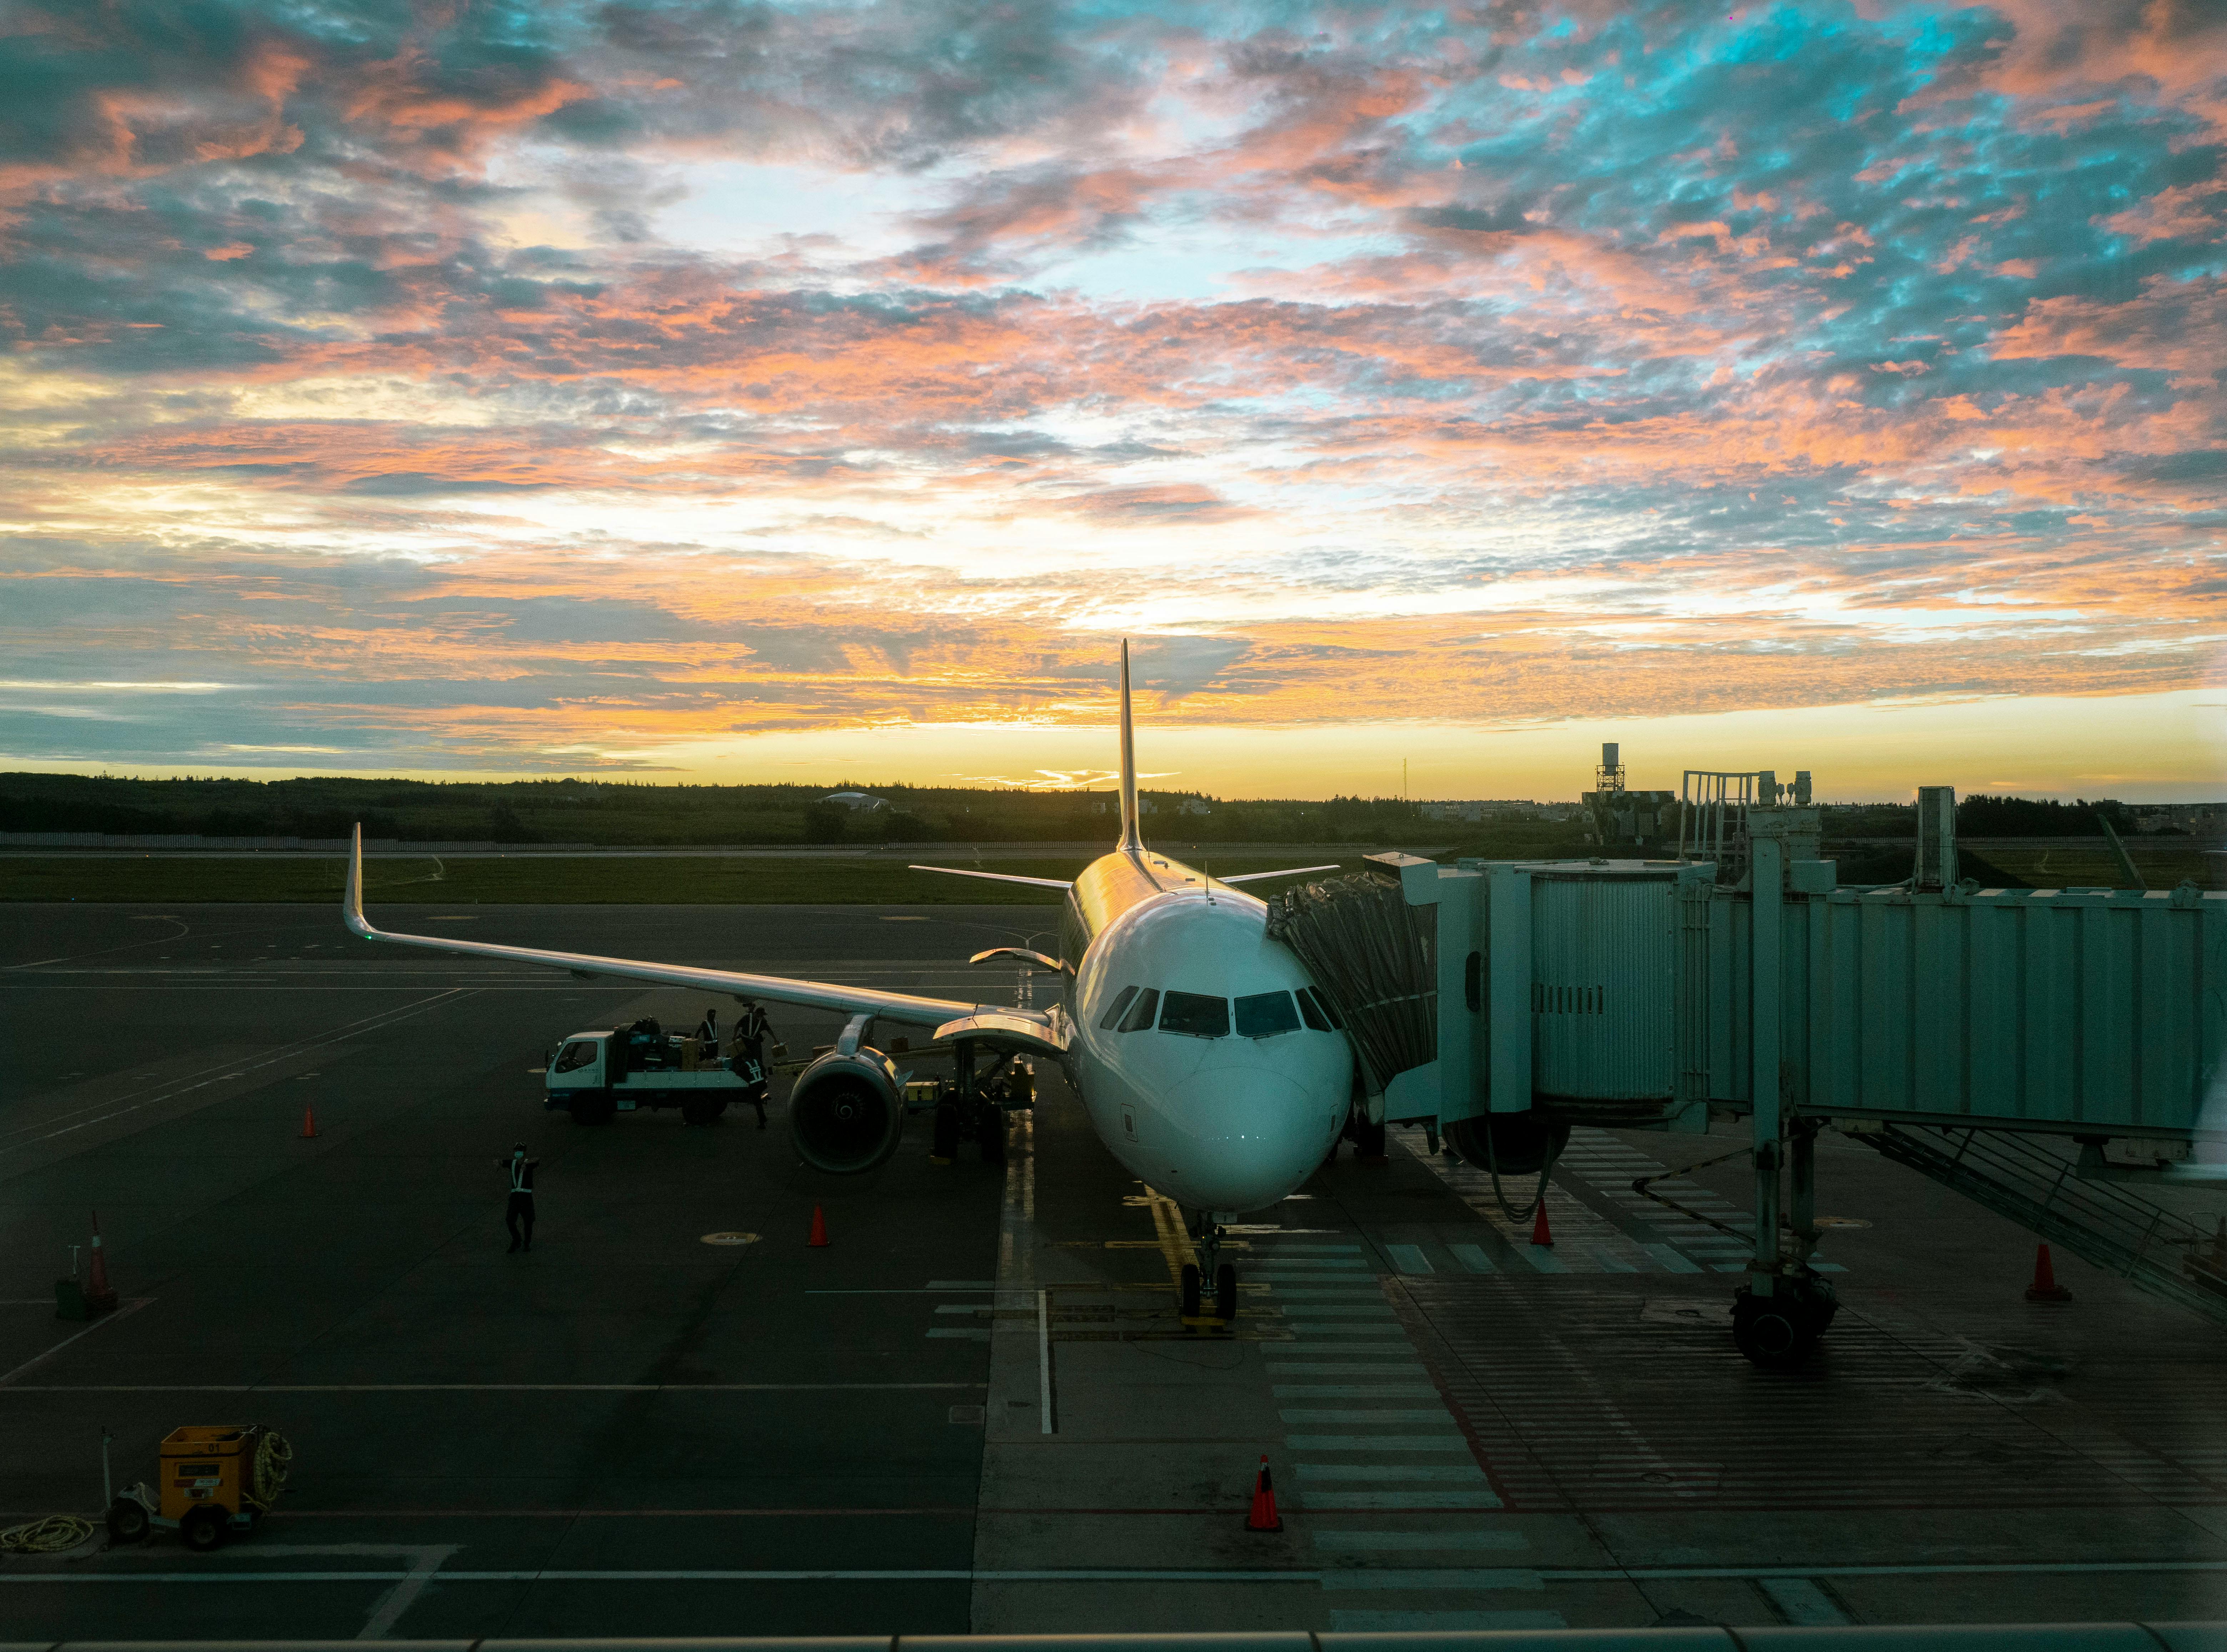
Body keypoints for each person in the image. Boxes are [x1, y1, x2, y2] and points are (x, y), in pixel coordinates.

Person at [497, 1144, 541, 1253]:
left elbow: (537, 1159)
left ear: (524, 1152)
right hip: (515, 1197)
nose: (518, 1152)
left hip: (526, 1197)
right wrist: (497, 1163)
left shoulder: (529, 1163)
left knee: (529, 1222)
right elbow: (501, 1162)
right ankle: (517, 1240)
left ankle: (527, 1243)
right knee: (510, 1220)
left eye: (520, 1150)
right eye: (516, 1150)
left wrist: (526, 1163)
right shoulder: (512, 1163)